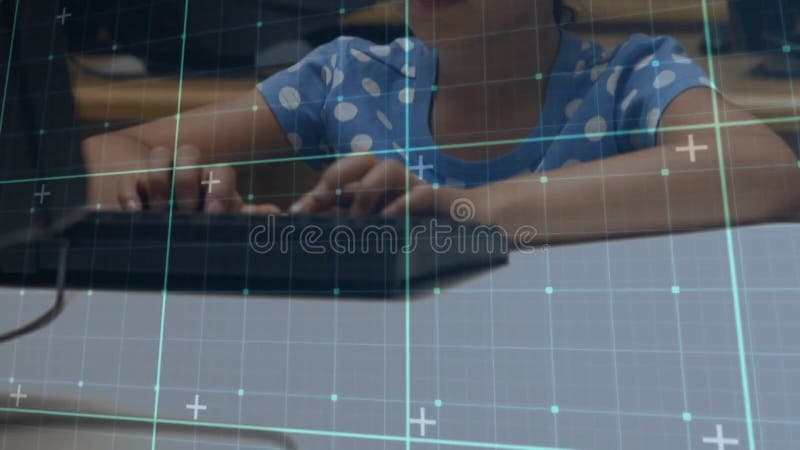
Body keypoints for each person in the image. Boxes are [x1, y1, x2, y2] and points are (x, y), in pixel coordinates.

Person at [83, 0, 800, 245]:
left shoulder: (629, 79)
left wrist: (464, 212)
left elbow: (768, 171)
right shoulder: (344, 77)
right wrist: (157, 185)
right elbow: (108, 149)